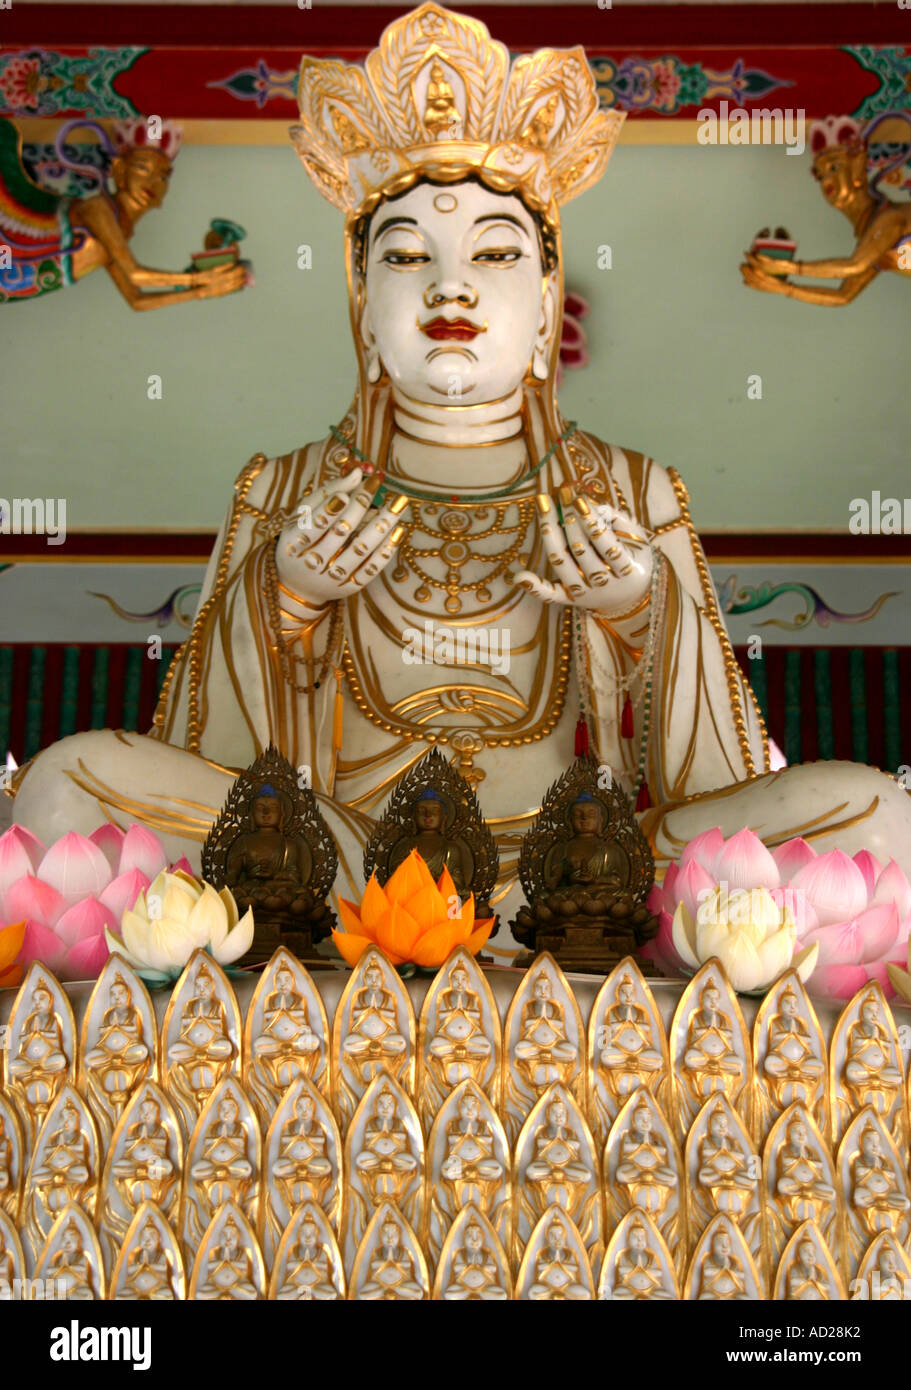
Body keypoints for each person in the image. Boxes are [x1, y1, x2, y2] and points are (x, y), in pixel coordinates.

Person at [14, 5, 911, 928]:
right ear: (362, 309)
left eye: (494, 253)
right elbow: (203, 755)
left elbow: (714, 781)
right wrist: (280, 594)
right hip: (334, 859)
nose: (451, 285)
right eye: (405, 255)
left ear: (543, 305)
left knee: (879, 815)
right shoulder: (283, 490)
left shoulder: (630, 490)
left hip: (576, 865)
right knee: (67, 782)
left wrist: (643, 609)